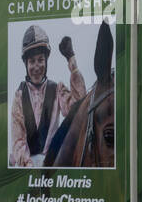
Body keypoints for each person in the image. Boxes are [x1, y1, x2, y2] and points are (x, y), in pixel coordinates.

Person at [10, 26, 85, 168]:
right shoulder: (19, 96)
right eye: (32, 61)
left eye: (40, 60)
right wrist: (30, 168)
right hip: (26, 168)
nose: (37, 66)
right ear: (26, 64)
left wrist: (73, 67)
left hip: (50, 164)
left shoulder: (57, 90)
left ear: (46, 61)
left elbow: (78, 109)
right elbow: (18, 140)